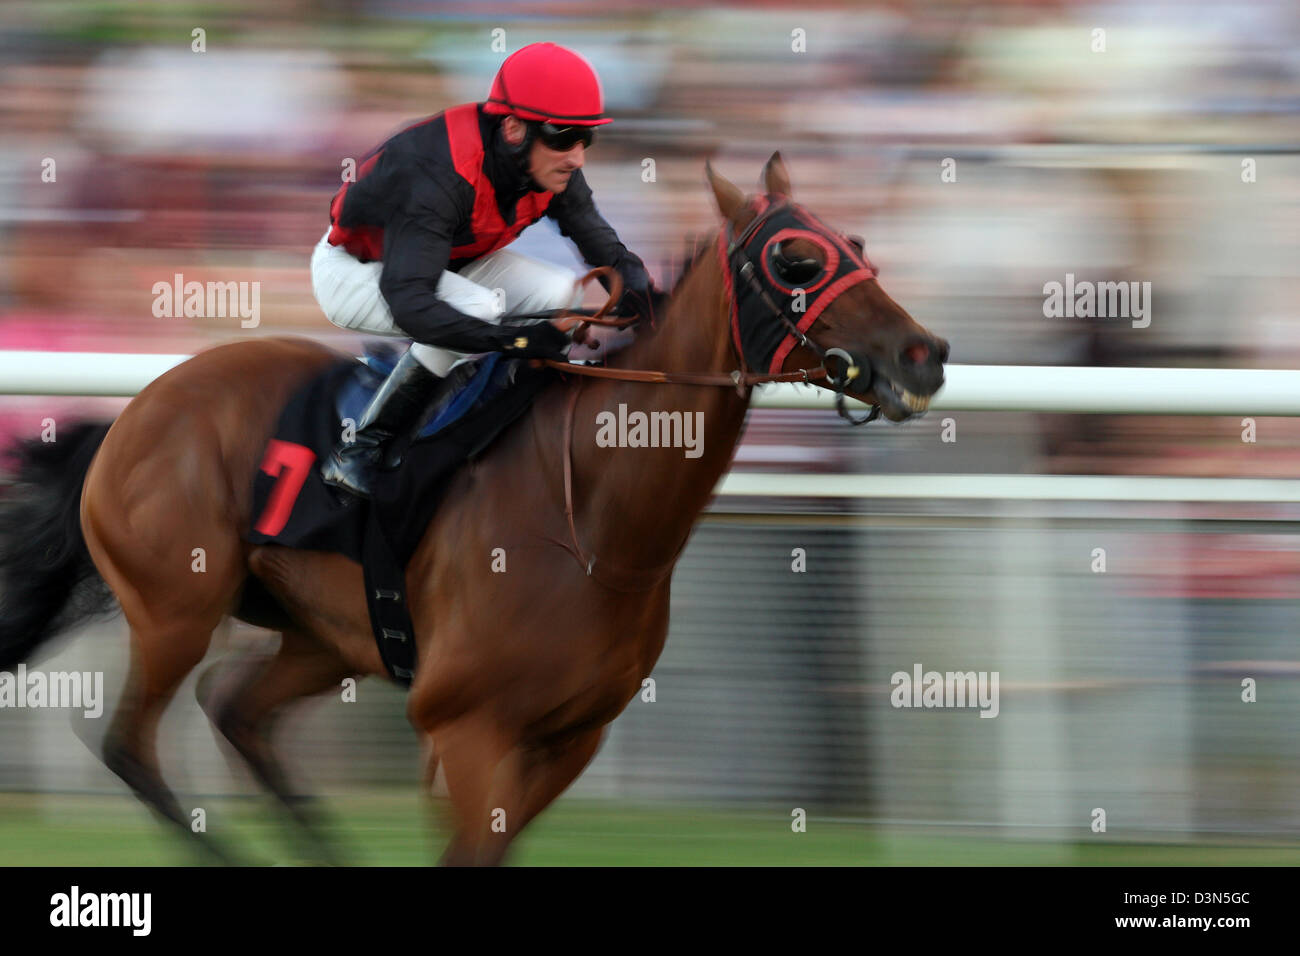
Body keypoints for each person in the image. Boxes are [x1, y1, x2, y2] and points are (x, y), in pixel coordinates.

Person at [311, 41, 663, 498]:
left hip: (447, 266)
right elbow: (413, 303)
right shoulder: (436, 173)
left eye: (585, 138)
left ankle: (510, 420)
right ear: (514, 129)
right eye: (562, 137)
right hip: (358, 272)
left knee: (558, 290)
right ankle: (360, 450)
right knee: (479, 307)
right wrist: (516, 339)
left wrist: (650, 299)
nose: (576, 157)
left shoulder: (549, 164)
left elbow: (601, 245)